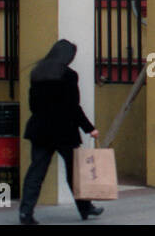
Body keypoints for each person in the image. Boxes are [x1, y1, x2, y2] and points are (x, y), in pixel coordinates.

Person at [18, 39, 103, 225]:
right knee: (74, 173)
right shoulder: (69, 75)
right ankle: (85, 207)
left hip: (40, 129)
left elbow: (33, 105)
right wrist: (90, 128)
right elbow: (73, 107)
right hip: (64, 131)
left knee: (36, 173)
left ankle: (26, 212)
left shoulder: (37, 73)